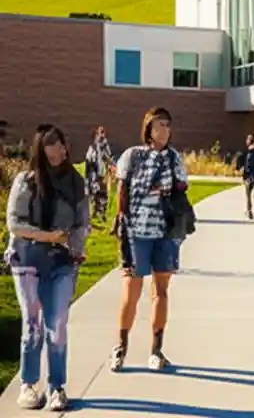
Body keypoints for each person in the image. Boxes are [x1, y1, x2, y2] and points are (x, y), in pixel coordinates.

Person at [5, 126, 89, 411]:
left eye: (59, 144)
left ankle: (57, 387)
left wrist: (76, 246)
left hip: (61, 262)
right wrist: (49, 236)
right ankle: (29, 385)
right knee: (32, 325)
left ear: (66, 147)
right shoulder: (25, 181)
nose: (55, 150)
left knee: (58, 326)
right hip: (27, 260)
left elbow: (82, 223)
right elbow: (14, 223)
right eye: (49, 145)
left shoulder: (76, 182)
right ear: (40, 150)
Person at [109, 107, 192, 373]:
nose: (164, 130)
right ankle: (120, 347)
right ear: (148, 129)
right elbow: (125, 191)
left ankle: (156, 350)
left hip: (165, 232)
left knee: (161, 291)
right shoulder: (133, 156)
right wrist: (122, 221)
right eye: (159, 125)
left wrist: (162, 190)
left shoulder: (174, 158)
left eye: (168, 125)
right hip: (137, 232)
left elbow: (179, 187)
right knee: (130, 293)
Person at [83, 126, 114, 222]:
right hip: (94, 173)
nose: (101, 135)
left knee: (103, 193)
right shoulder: (92, 147)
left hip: (102, 173)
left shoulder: (104, 146)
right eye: (99, 133)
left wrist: (110, 167)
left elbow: (109, 158)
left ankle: (102, 212)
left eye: (103, 133)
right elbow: (88, 161)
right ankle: (95, 212)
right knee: (95, 192)